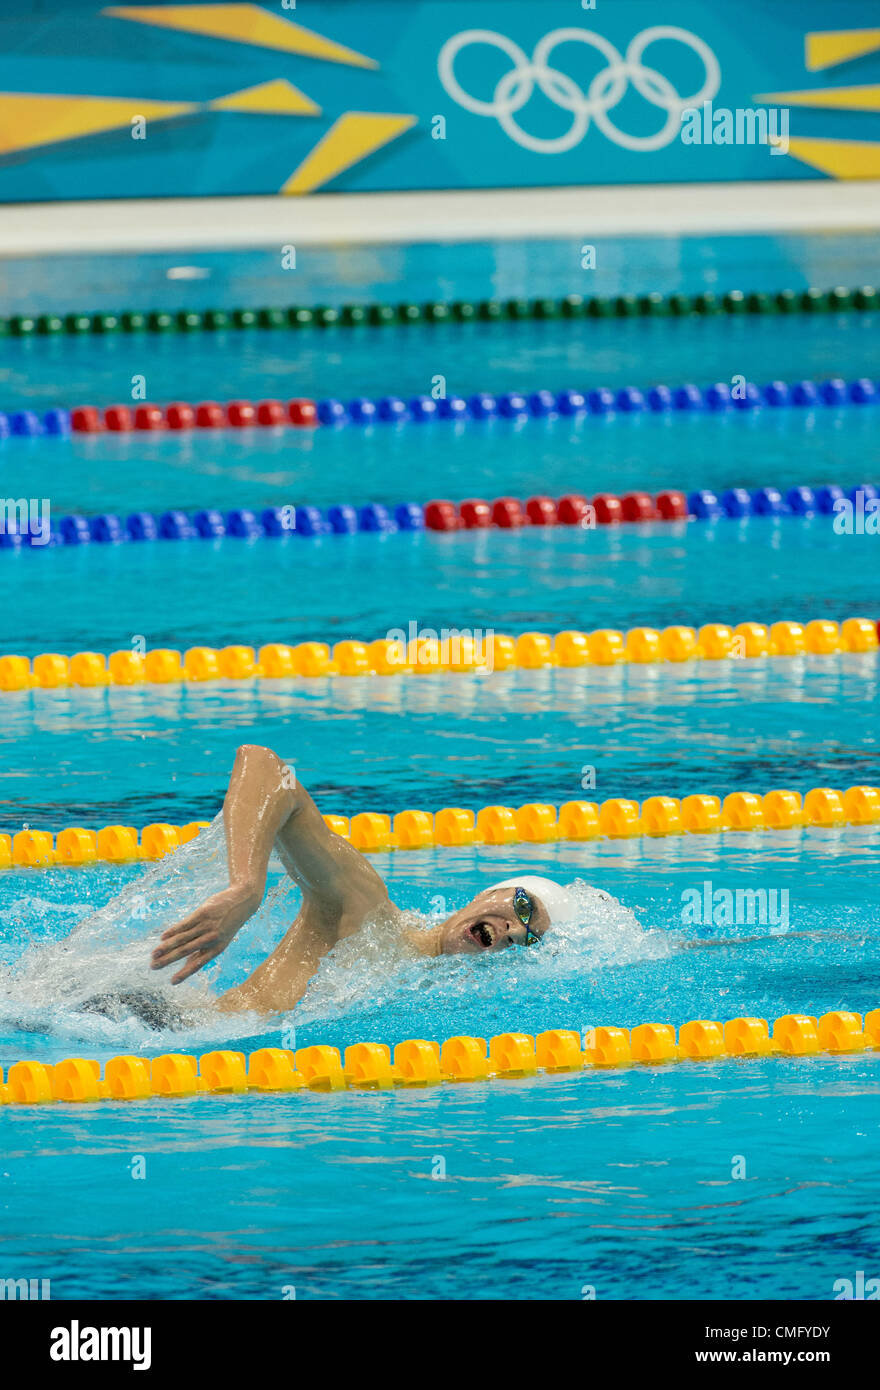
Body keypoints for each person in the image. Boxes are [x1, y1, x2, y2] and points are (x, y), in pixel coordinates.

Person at [149, 744, 579, 1015]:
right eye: (523, 907)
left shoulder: (429, 1004)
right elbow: (265, 766)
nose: (515, 930)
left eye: (530, 938)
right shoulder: (369, 912)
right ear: (489, 893)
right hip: (159, 1025)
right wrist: (245, 888)